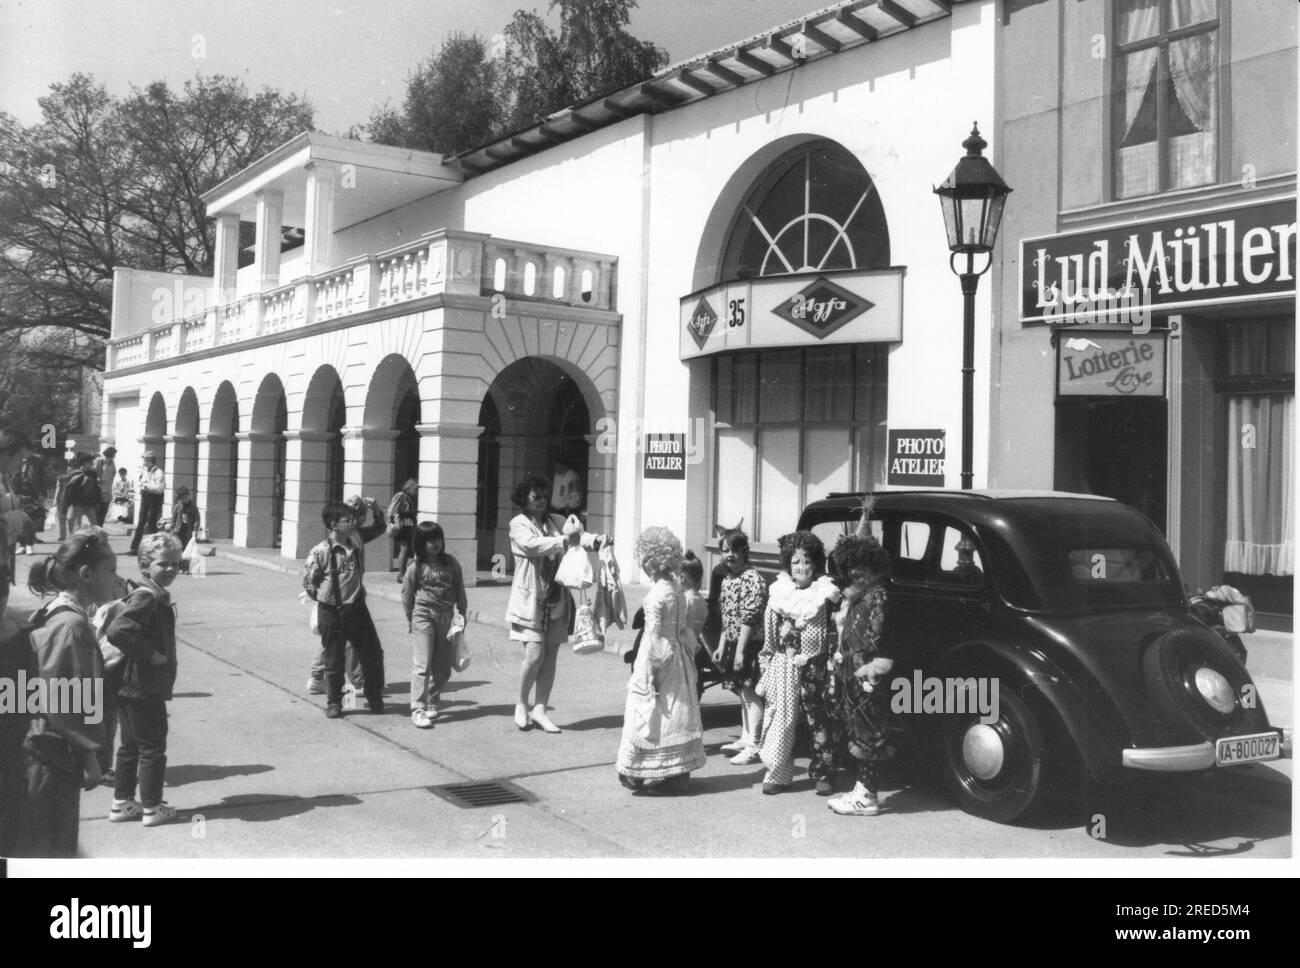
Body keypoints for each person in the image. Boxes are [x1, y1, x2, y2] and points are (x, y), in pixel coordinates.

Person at [15, 529, 117, 855]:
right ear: (86, 575)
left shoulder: (55, 610)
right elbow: (67, 700)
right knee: (50, 849)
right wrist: (90, 759)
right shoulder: (73, 626)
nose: (115, 581)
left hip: (39, 748)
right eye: (110, 572)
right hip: (54, 757)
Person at [506, 475, 608, 733]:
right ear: (524, 499)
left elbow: (579, 537)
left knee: (550, 656)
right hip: (530, 599)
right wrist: (564, 541)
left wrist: (598, 541)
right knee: (534, 654)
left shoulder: (558, 521)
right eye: (534, 496)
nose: (540, 501)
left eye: (543, 495)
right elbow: (531, 546)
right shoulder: (518, 524)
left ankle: (540, 709)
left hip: (556, 598)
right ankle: (521, 703)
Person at [616, 527, 706, 794]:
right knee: (676, 712)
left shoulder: (658, 593)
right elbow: (681, 628)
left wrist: (652, 673)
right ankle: (678, 771)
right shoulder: (677, 589)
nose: (642, 564)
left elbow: (655, 636)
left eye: (643, 558)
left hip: (659, 657)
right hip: (678, 656)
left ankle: (648, 769)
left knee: (653, 711)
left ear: (651, 561)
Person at [104, 532, 183, 828]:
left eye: (176, 563)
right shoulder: (146, 597)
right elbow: (118, 630)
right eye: (164, 564)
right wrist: (151, 655)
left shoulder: (150, 594)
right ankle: (151, 807)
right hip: (143, 685)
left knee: (130, 745)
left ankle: (122, 802)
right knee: (152, 746)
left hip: (128, 684)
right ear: (145, 566)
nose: (172, 569)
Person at [756, 531, 841, 795]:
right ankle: (778, 773)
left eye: (806, 561)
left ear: (814, 563)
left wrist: (832, 665)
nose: (801, 568)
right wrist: (766, 662)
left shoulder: (825, 595)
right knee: (782, 719)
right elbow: (770, 638)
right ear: (788, 565)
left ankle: (824, 773)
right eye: (795, 562)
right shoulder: (779, 593)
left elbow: (835, 632)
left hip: (817, 666)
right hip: (784, 664)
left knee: (818, 719)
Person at [827, 531, 900, 817]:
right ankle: (862, 787)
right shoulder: (858, 598)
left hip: (869, 673)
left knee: (869, 731)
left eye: (862, 566)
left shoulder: (877, 596)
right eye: (851, 566)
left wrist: (866, 670)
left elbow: (876, 638)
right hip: (854, 671)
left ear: (875, 568)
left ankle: (868, 794)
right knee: (860, 728)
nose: (856, 571)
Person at [301, 496, 388, 719]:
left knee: (372, 654)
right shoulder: (321, 552)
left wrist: (376, 510)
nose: (352, 523)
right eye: (347, 520)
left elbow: (380, 528)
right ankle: (334, 702)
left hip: (357, 609)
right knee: (334, 659)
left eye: (352, 519)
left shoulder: (356, 540)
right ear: (333, 525)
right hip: (332, 611)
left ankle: (374, 697)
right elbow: (309, 582)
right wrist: (326, 599)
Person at [403, 521, 468, 729]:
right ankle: (418, 708)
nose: (436, 543)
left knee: (442, 666)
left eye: (438, 538)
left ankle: (432, 699)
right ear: (421, 544)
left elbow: (459, 588)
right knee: (422, 664)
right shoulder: (416, 567)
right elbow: (407, 595)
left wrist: (462, 614)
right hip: (423, 615)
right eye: (430, 540)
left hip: (446, 617)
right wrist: (410, 620)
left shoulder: (451, 563)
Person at [714, 530, 767, 764]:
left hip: (750, 644)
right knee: (741, 692)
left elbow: (749, 617)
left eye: (735, 550)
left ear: (744, 551)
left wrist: (740, 651)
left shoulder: (752, 579)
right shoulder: (727, 580)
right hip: (735, 643)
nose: (730, 555)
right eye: (725, 550)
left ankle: (756, 744)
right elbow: (728, 617)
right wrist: (721, 645)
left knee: (751, 692)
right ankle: (746, 737)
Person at [0, 429, 34, 580]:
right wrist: (18, 517)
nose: (22, 465)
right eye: (20, 458)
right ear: (6, 454)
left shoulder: (5, 479)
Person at [129, 450, 165, 555]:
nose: (143, 462)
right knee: (141, 522)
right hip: (145, 496)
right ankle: (134, 547)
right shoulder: (145, 471)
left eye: (145, 459)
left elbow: (159, 489)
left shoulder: (159, 473)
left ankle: (153, 548)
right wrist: (143, 484)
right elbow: (142, 482)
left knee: (152, 523)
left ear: (150, 460)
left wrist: (146, 485)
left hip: (154, 498)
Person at [387, 478, 419, 582]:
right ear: (410, 488)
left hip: (408, 526)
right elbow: (392, 511)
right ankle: (401, 574)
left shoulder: (409, 498)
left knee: (408, 549)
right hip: (402, 526)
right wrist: (396, 523)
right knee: (404, 549)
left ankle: (404, 573)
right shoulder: (400, 495)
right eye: (415, 489)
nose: (416, 492)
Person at [63, 452, 101, 533]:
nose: (92, 465)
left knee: (94, 525)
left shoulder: (92, 474)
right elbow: (70, 490)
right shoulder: (75, 474)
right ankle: (75, 541)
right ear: (85, 463)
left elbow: (96, 488)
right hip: (78, 503)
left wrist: (98, 501)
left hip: (90, 503)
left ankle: (95, 542)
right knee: (76, 525)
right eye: (91, 463)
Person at [169, 486, 201, 569]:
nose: (184, 500)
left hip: (188, 530)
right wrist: (172, 529)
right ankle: (178, 565)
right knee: (178, 548)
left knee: (187, 549)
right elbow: (173, 519)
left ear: (188, 496)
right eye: (182, 498)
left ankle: (185, 567)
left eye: (185, 497)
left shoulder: (193, 507)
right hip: (178, 530)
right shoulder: (177, 507)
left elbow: (197, 519)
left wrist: (195, 530)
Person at [92, 447, 117, 525]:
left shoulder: (112, 463)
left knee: (103, 513)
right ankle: (95, 531)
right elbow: (92, 473)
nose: (114, 456)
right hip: (99, 491)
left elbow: (113, 474)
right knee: (96, 514)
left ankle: (99, 529)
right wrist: (97, 479)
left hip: (108, 491)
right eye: (113, 455)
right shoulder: (99, 461)